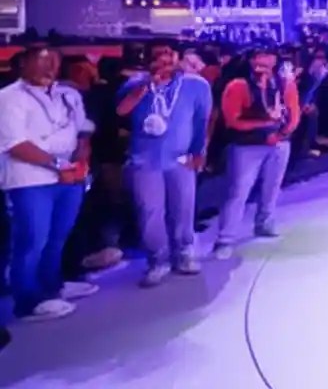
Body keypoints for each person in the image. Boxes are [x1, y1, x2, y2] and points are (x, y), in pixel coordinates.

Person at [0, 47, 98, 321]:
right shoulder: (8, 99)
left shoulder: (67, 94)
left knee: (57, 237)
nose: (50, 68)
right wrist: (58, 165)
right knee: (32, 240)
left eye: (55, 62)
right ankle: (27, 301)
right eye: (43, 61)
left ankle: (51, 287)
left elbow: (82, 129)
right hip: (29, 180)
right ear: (22, 63)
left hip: (69, 177)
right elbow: (16, 144)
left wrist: (81, 159)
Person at [116, 39, 214, 287]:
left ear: (178, 56)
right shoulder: (135, 83)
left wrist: (199, 151)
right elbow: (121, 112)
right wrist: (149, 85)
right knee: (150, 213)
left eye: (169, 54)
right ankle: (157, 260)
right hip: (143, 160)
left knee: (183, 208)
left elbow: (202, 121)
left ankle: (184, 252)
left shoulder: (196, 85)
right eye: (157, 55)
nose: (164, 59)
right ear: (148, 59)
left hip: (181, 158)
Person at [213, 47, 300, 260]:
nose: (265, 60)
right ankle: (225, 239)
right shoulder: (238, 85)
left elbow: (294, 112)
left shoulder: (284, 83)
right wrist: (264, 130)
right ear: (251, 60)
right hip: (246, 146)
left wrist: (281, 134)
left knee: (272, 187)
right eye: (260, 56)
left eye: (269, 56)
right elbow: (233, 120)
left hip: (279, 144)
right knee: (238, 192)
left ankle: (265, 222)